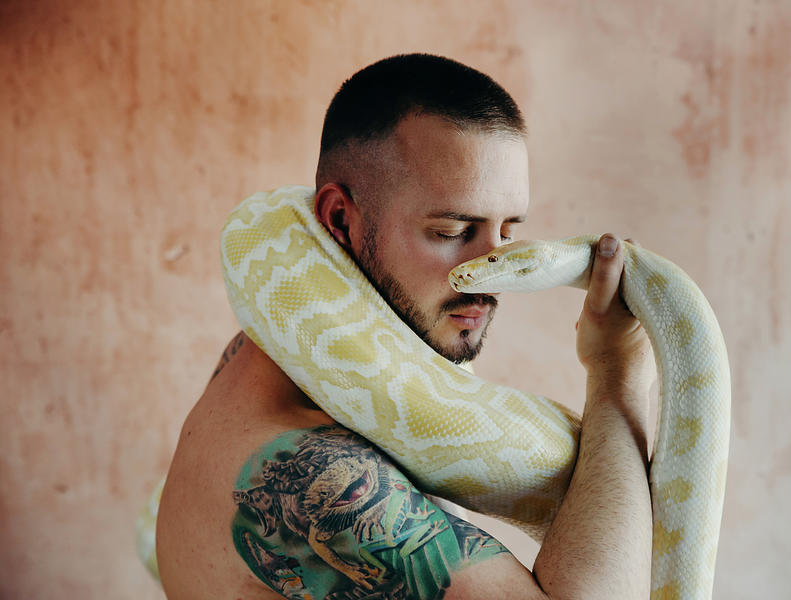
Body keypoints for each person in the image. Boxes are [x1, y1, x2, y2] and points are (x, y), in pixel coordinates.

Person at [157, 53, 656, 599]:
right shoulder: (327, 474)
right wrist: (616, 374)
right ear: (340, 220)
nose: (492, 277)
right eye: (451, 231)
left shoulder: (273, 356)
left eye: (507, 233)